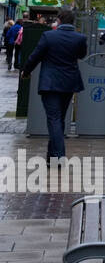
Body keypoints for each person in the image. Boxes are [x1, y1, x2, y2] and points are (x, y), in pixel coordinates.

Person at [20, 9, 86, 162]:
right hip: (69, 83)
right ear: (73, 21)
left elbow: (35, 56)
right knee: (59, 118)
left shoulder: (49, 36)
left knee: (54, 119)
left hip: (50, 84)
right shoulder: (80, 38)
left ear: (59, 20)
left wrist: (26, 71)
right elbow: (81, 55)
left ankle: (58, 155)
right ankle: (51, 157)